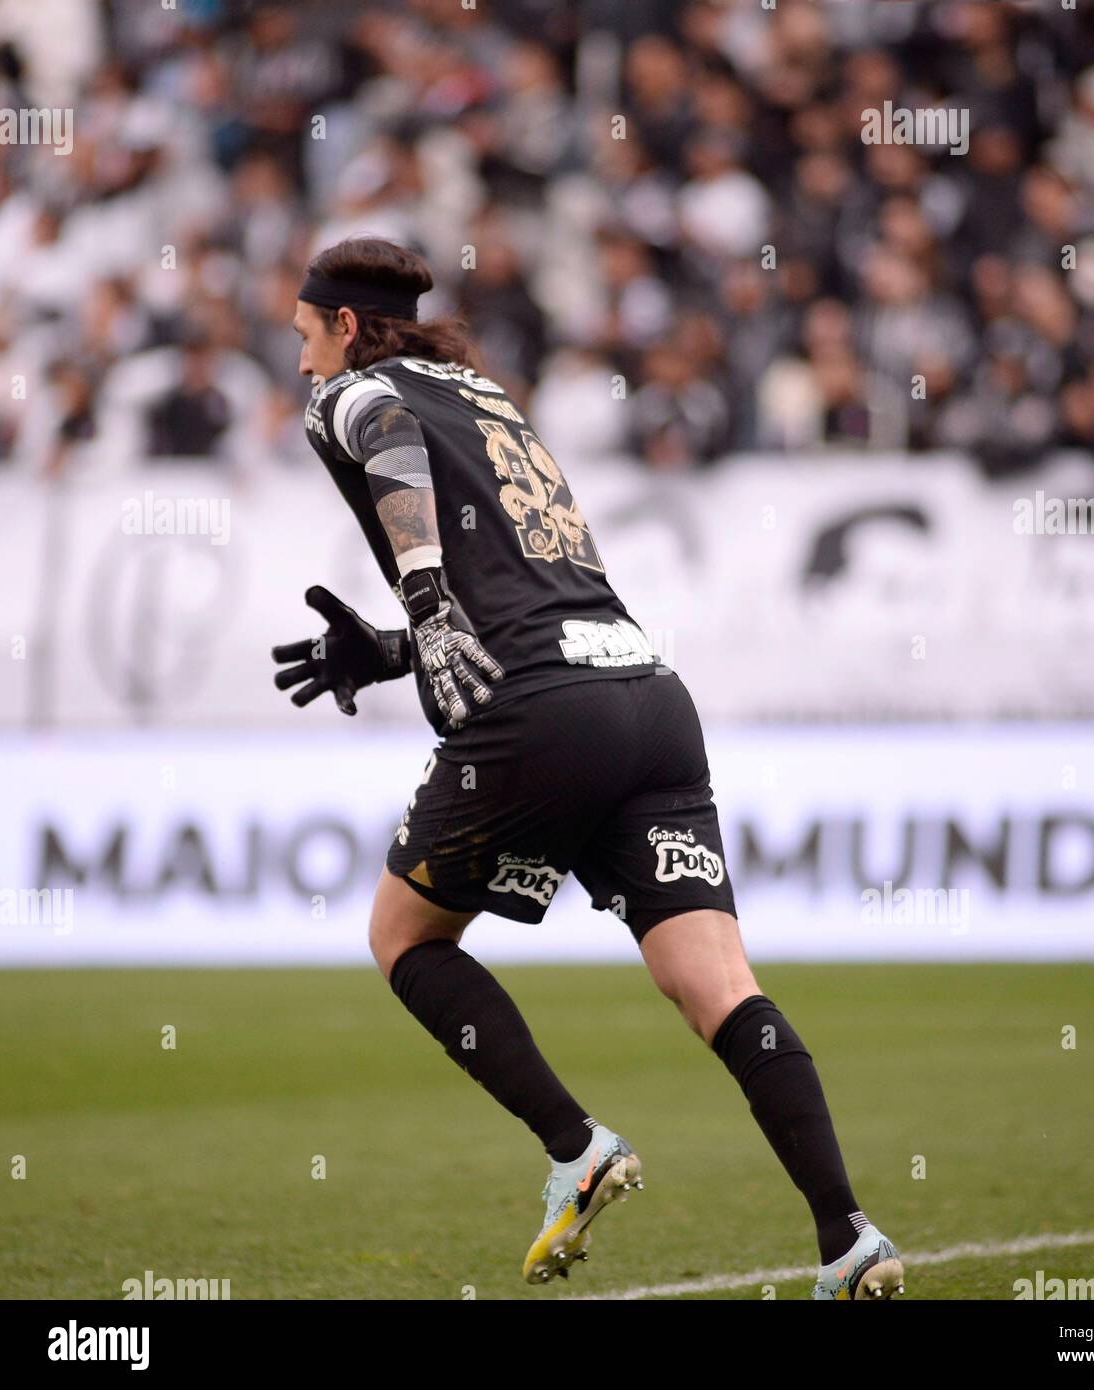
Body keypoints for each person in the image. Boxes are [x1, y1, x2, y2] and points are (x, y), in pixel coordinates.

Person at [272, 236, 904, 1299]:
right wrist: (390, 648)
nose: (299, 364)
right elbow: (529, 582)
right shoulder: (484, 394)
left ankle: (575, 1148)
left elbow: (382, 437)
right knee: (716, 984)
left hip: (539, 713)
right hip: (648, 694)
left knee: (402, 937)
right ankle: (845, 1237)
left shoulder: (357, 393)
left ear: (343, 326)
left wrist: (419, 601)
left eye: (303, 337)